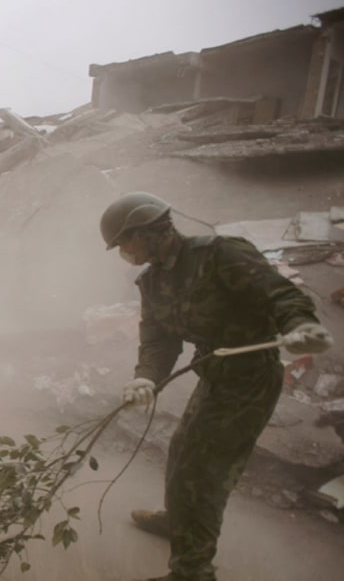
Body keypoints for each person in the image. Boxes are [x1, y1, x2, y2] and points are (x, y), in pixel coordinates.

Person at [101, 192, 333, 581]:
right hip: (215, 376)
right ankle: (180, 521)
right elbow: (158, 340)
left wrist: (299, 326)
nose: (123, 251)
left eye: (125, 241)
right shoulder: (154, 281)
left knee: (202, 474)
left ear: (149, 231)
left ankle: (193, 570)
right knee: (180, 451)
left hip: (251, 380)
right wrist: (146, 377)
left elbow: (280, 294)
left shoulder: (220, 254)